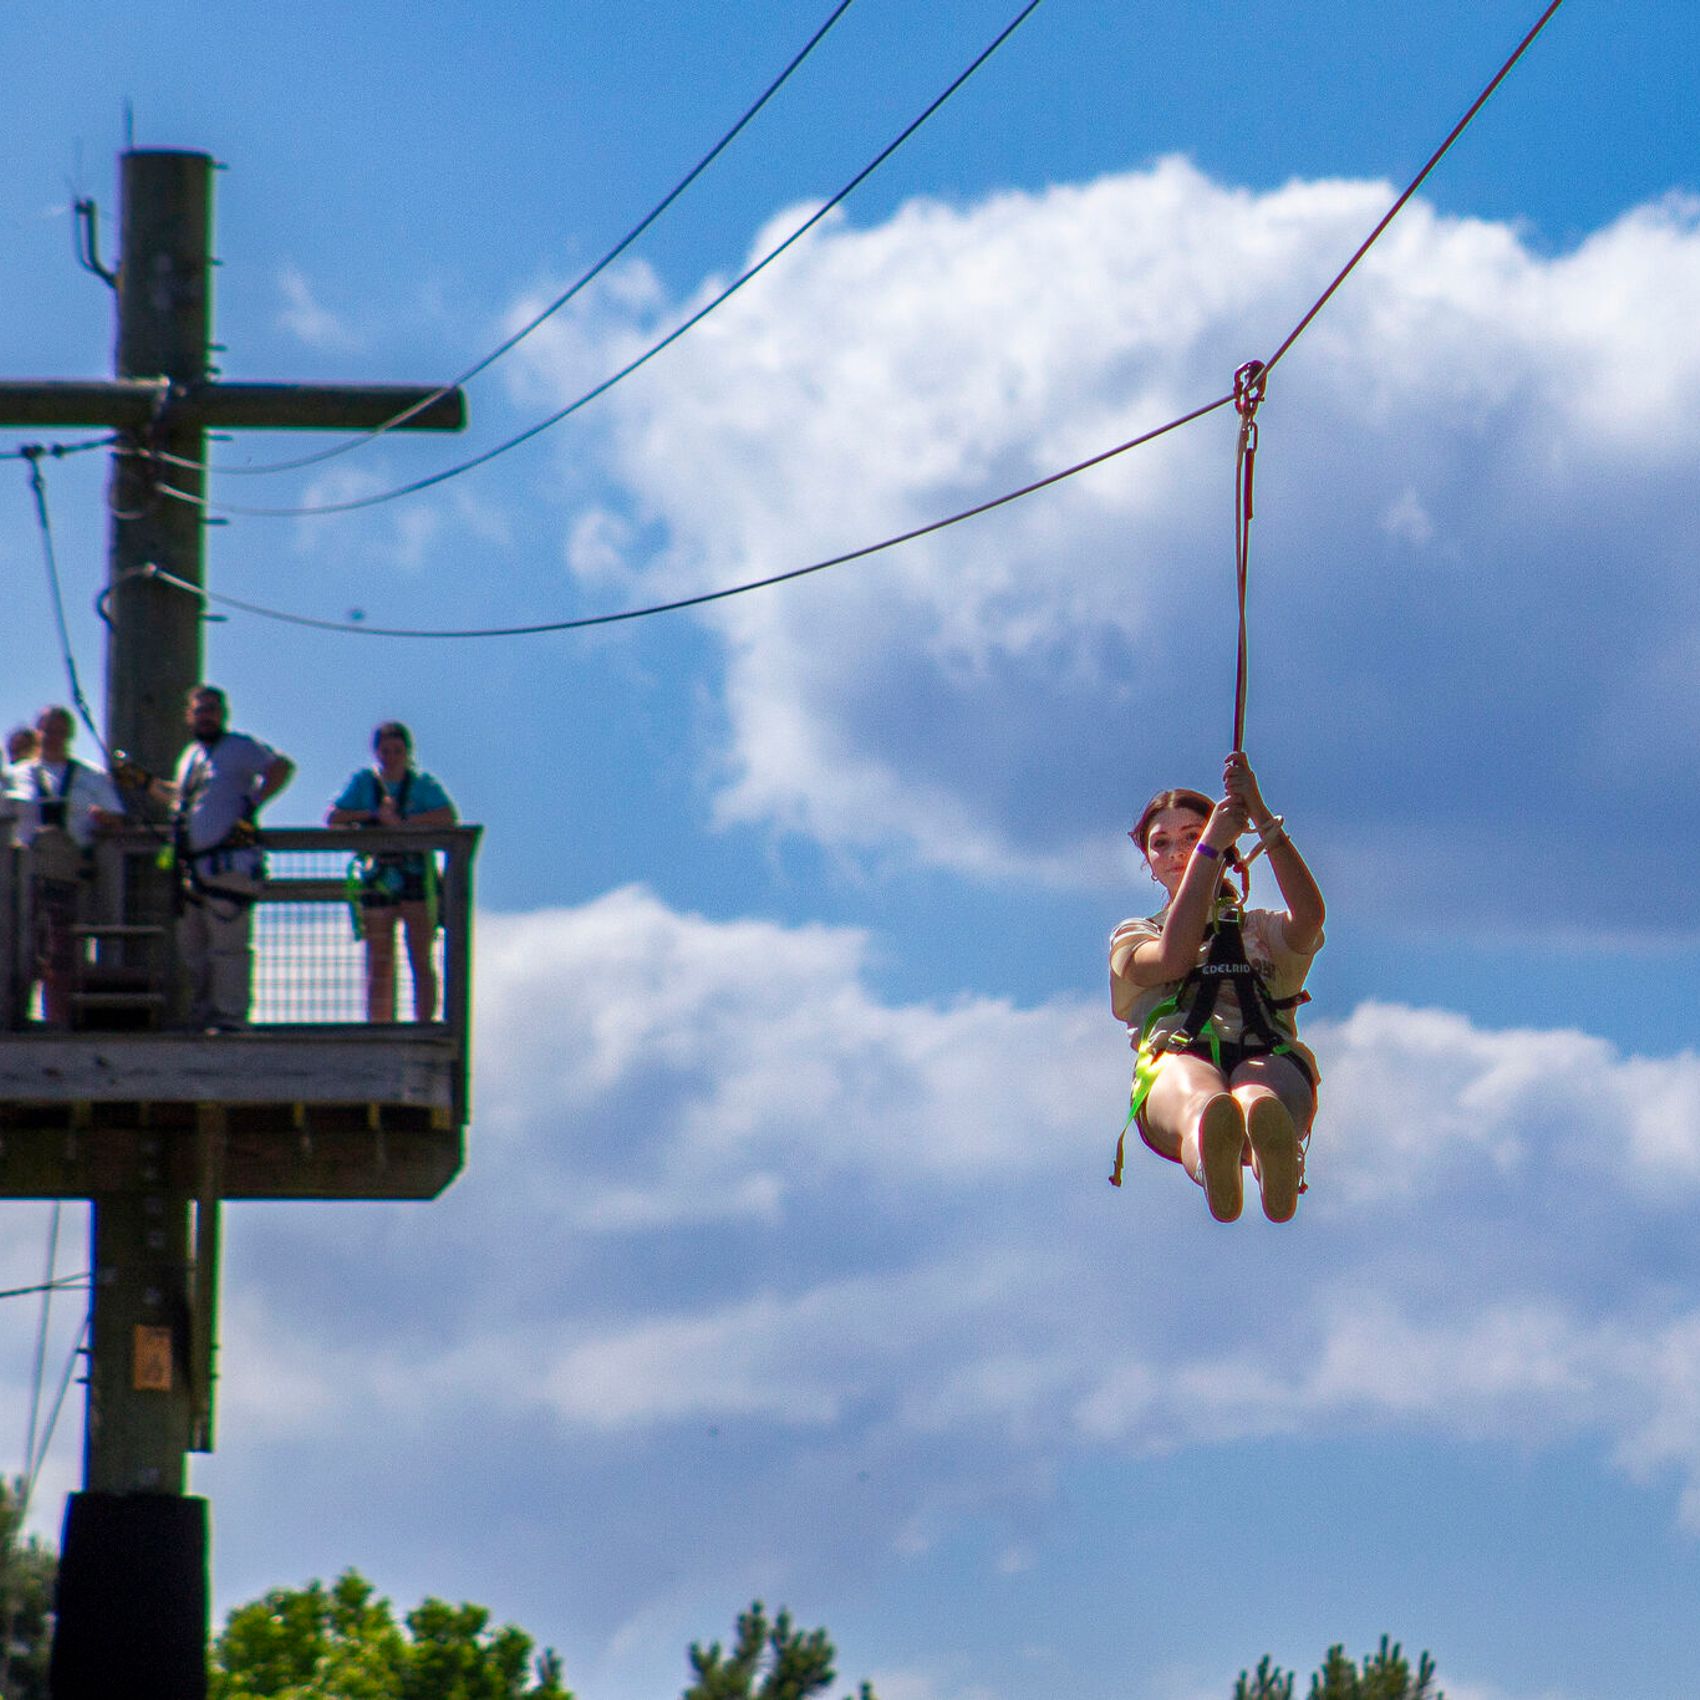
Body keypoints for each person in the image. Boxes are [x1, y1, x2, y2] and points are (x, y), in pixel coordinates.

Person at [1109, 752, 1325, 1224]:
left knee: (1256, 1093)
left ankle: (1272, 1150)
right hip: (1176, 1058)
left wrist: (1260, 814)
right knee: (1202, 1103)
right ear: (1147, 859)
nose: (1176, 854)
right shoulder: (1134, 936)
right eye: (1160, 844)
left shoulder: (1261, 931)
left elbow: (1308, 919)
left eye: (1191, 837)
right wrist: (1209, 850)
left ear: (1229, 845)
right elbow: (1174, 957)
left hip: (1267, 1053)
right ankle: (1215, 1155)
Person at [147, 685, 294, 1032]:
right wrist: (144, 783)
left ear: (223, 713)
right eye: (200, 710)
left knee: (228, 948)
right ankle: (203, 1017)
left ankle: (230, 1019)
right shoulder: (190, 757)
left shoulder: (240, 748)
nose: (206, 715)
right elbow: (180, 799)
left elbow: (281, 767)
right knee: (195, 951)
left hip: (229, 864)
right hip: (193, 870)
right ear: (189, 716)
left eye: (212, 709)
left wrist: (252, 805)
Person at [327, 721, 457, 1023]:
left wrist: (405, 823)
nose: (391, 757)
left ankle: (424, 1022)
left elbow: (447, 816)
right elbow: (334, 817)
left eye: (397, 750)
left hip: (414, 878)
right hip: (378, 878)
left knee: (420, 957)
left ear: (407, 752)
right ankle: (380, 1024)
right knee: (379, 960)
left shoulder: (422, 786)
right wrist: (374, 815)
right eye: (385, 751)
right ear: (376, 752)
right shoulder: (364, 783)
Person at [7, 706, 124, 1025]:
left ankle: (60, 1021)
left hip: (72, 873)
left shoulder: (91, 777)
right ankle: (16, 1018)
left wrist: (105, 818)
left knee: (64, 951)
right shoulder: (15, 776)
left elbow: (116, 817)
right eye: (47, 729)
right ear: (38, 732)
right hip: (26, 875)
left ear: (69, 734)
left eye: (60, 730)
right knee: (22, 948)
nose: (53, 736)